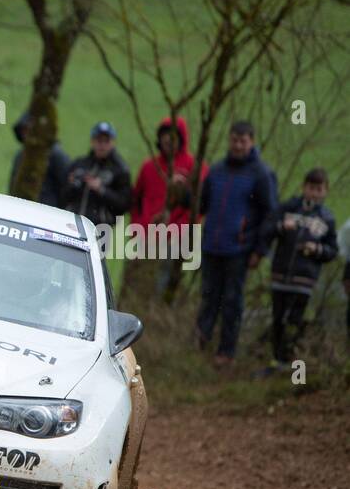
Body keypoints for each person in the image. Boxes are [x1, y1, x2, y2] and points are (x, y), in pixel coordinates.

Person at [195, 121, 278, 368]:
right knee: (208, 295)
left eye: (243, 140)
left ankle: (226, 352)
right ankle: (200, 343)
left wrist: (260, 250)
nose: (238, 145)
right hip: (212, 246)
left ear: (251, 141)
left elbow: (270, 215)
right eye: (234, 140)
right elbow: (202, 204)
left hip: (240, 250)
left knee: (232, 301)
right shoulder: (217, 170)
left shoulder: (261, 174)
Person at [255, 168, 339, 373]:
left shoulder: (326, 218)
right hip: (280, 275)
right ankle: (276, 361)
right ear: (304, 187)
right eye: (311, 188)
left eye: (319, 189)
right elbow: (266, 230)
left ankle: (294, 365)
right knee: (277, 319)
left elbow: (332, 250)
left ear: (325, 191)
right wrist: (282, 227)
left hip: (305, 280)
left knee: (295, 321)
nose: (314, 193)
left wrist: (317, 249)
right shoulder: (288, 208)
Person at [130, 115, 206, 301]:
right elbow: (135, 200)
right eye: (164, 137)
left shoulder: (195, 168)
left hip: (175, 240)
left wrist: (183, 233)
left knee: (161, 291)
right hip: (145, 237)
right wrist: (138, 227)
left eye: (172, 137)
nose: (168, 141)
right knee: (136, 288)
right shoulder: (149, 166)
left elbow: (201, 205)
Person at [61, 122, 132, 228]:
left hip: (100, 229)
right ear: (92, 142)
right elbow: (62, 196)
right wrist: (71, 184)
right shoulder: (79, 164)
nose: (102, 145)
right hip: (72, 224)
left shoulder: (120, 170)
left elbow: (124, 204)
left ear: (113, 143)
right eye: (99, 141)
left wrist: (101, 190)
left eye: (106, 141)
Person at [8, 113, 68, 206]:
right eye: (24, 131)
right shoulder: (20, 156)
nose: (27, 135)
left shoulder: (55, 155)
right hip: (20, 210)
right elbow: (13, 186)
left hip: (47, 213)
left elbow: (66, 189)